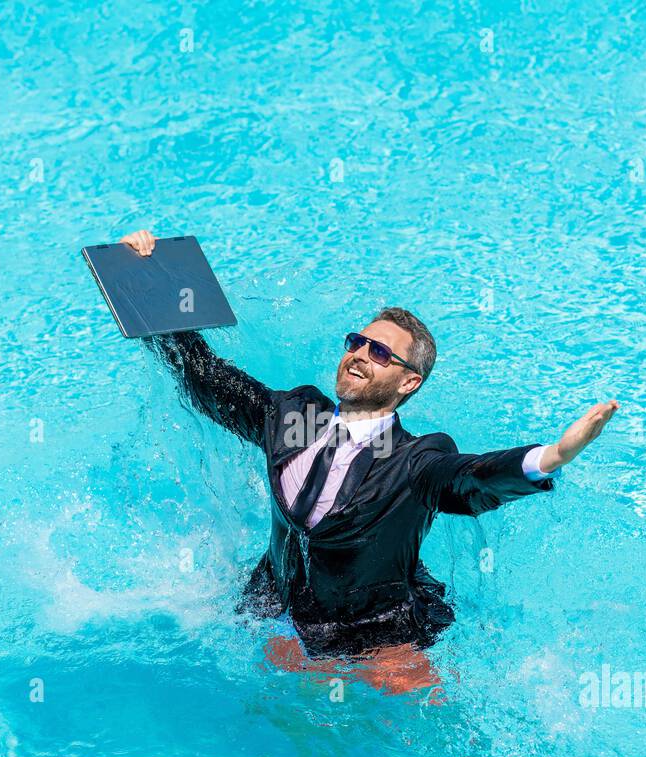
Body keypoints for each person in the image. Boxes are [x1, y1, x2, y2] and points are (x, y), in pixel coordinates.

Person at [119, 229, 619, 692]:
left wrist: (551, 456)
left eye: (379, 352)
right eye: (356, 342)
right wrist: (153, 279)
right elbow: (209, 381)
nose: (359, 354)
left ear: (408, 382)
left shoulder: (417, 461)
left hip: (376, 632)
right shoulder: (295, 415)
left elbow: (473, 479)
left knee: (415, 706)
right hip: (279, 605)